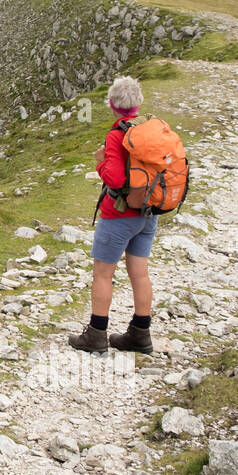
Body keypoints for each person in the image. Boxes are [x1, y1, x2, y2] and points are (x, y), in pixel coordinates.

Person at [69, 76, 156, 355]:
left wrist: (101, 164)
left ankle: (96, 334)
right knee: (139, 274)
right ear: (139, 102)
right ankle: (140, 334)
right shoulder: (151, 129)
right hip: (148, 212)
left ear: (111, 105)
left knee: (103, 274)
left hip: (119, 215)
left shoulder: (116, 135)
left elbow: (116, 179)